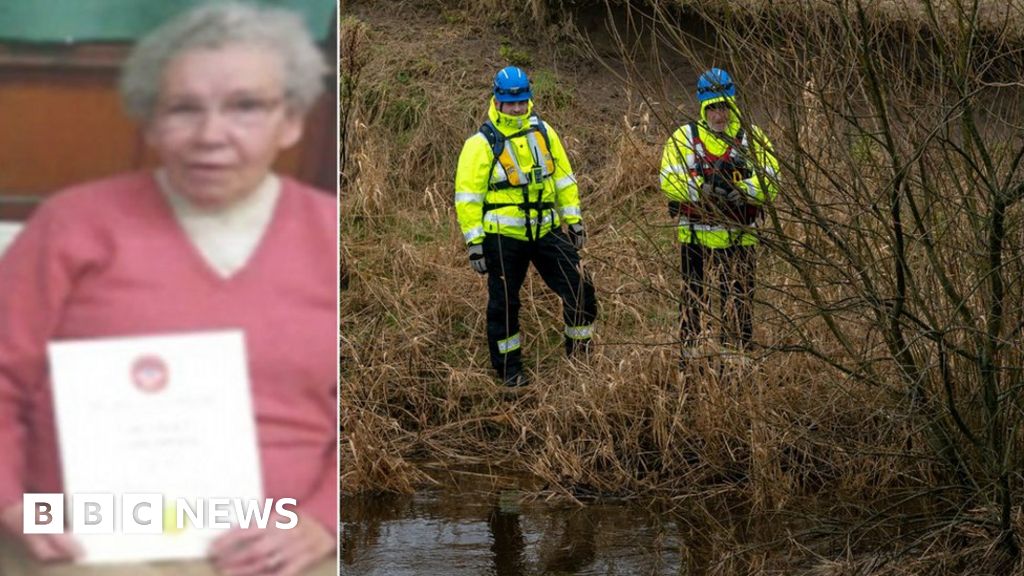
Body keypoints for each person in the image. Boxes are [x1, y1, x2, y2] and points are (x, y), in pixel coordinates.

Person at [0, 3, 337, 576]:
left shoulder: (333, 237)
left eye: (246, 107)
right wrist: (13, 504)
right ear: (150, 123)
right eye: (183, 108)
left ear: (292, 120)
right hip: (79, 541)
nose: (211, 135)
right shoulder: (71, 225)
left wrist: (325, 518)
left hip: (286, 547)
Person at [454, 66, 598, 387]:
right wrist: (474, 243)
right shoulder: (480, 144)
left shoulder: (545, 133)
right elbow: (468, 198)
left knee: (580, 287)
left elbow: (564, 180)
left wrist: (573, 221)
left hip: (546, 231)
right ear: (498, 101)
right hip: (503, 238)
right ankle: (509, 370)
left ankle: (580, 356)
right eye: (510, 102)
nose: (518, 108)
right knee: (505, 304)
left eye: (522, 101)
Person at [659, 68, 779, 364]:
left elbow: (773, 178)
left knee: (739, 300)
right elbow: (667, 180)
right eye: (712, 107)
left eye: (724, 106)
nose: (719, 114)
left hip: (740, 235)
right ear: (703, 107)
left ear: (733, 104)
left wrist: (745, 191)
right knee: (693, 299)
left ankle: (736, 358)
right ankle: (690, 358)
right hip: (695, 235)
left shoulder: (752, 138)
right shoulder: (684, 138)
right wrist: (702, 190)